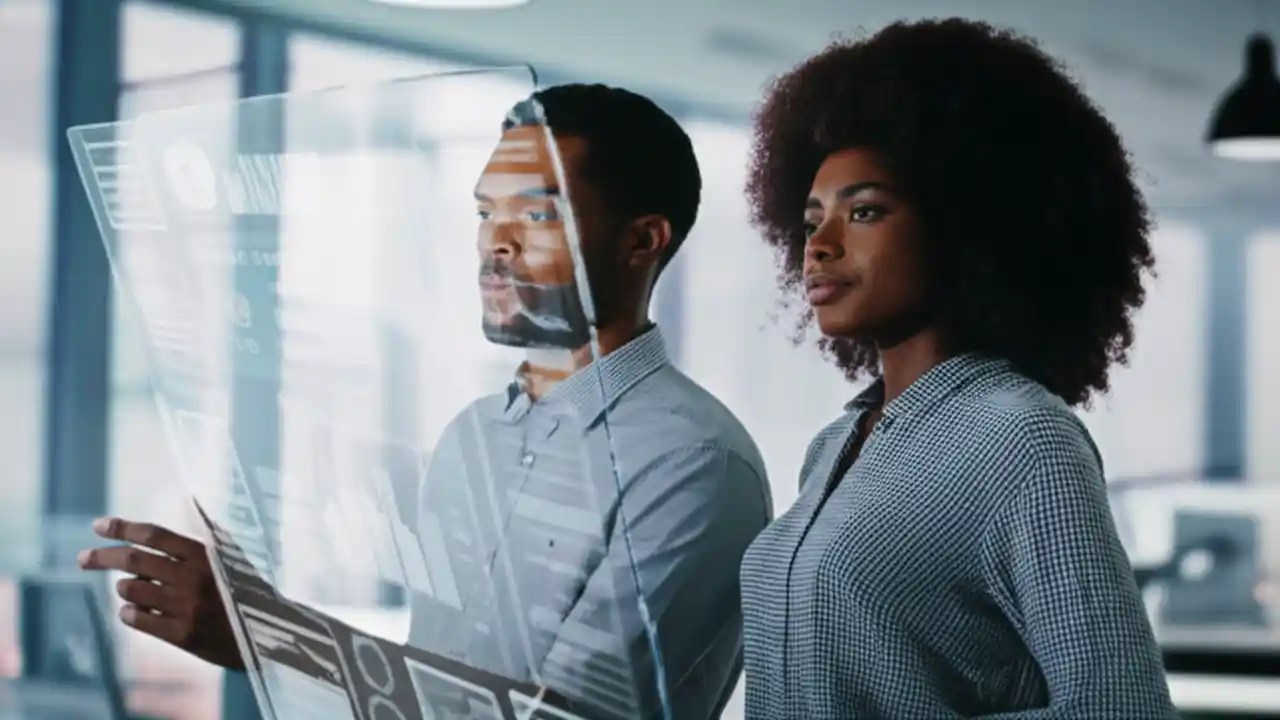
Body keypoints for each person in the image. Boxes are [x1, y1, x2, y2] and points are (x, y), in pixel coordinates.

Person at [80, 83, 771, 720]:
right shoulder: (474, 436)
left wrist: (278, 636)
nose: (495, 241)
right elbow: (430, 689)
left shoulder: (693, 462)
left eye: (536, 211)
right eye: (485, 210)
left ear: (641, 241)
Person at [737, 19, 1177, 719]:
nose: (818, 246)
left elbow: (1121, 707)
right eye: (812, 218)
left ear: (965, 226)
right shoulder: (834, 446)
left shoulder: (1022, 437)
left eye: (866, 212)